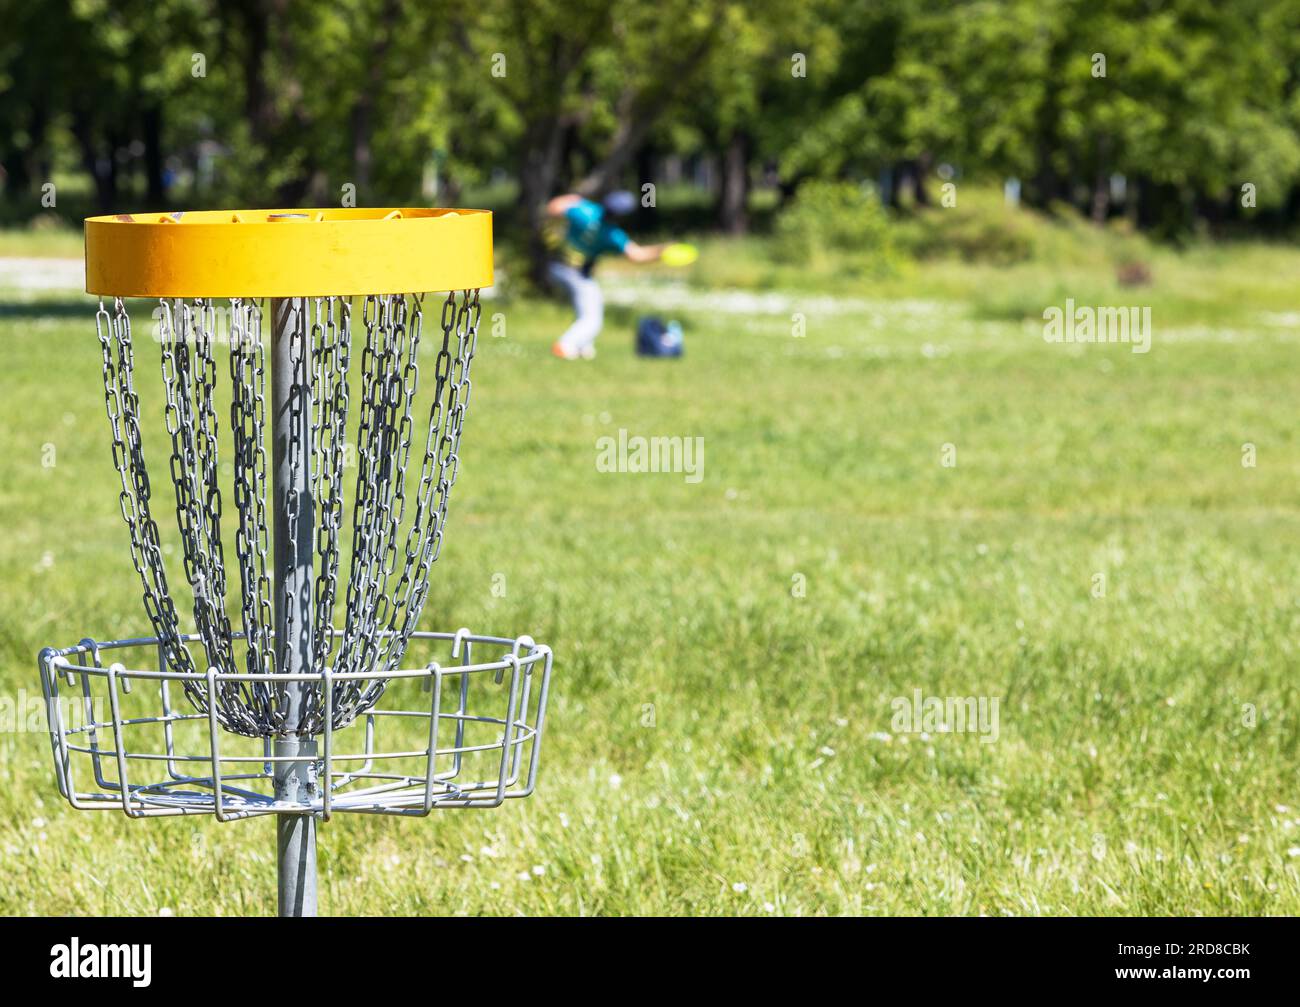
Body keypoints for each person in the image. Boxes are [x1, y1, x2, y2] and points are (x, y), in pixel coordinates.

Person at [544, 190, 666, 359]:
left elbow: (553, 208)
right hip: (577, 273)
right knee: (593, 319)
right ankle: (565, 345)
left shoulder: (584, 210)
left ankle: (583, 347)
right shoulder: (612, 235)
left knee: (587, 307)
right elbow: (637, 255)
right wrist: (663, 251)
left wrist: (573, 199)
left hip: (557, 266)